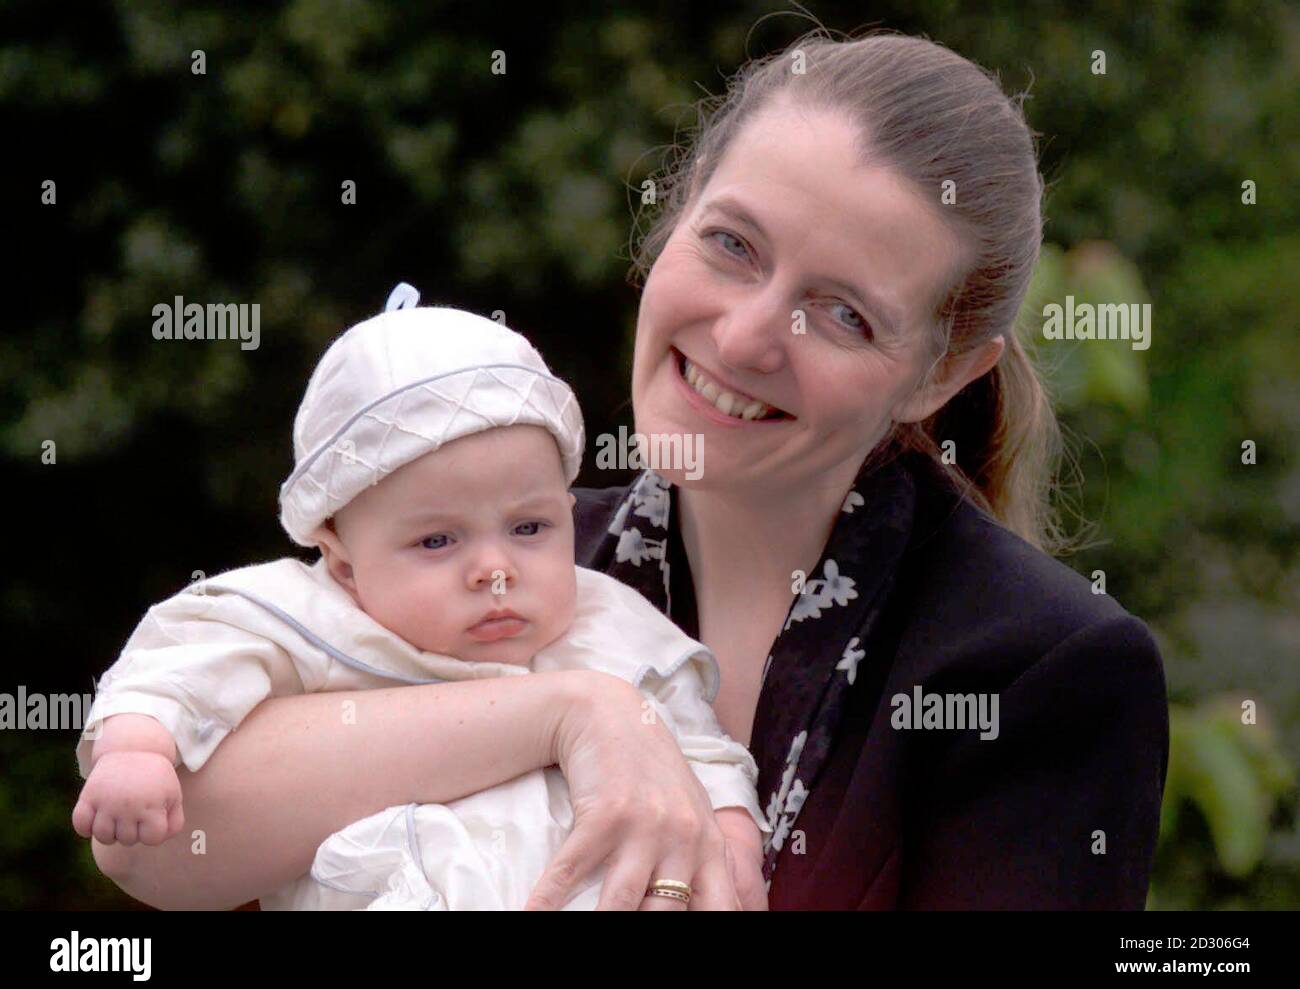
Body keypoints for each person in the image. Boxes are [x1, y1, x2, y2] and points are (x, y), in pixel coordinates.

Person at [88, 29, 1169, 911]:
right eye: (733, 245)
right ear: (674, 211)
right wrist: (579, 714)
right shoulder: (512, 548)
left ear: (939, 373)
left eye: (841, 313)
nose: (747, 336)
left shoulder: (1039, 667)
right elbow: (160, 842)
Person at [72, 292, 768, 910]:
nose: (494, 569)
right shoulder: (307, 613)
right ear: (342, 557)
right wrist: (137, 746)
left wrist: (733, 828)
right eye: (438, 540)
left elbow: (695, 741)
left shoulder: (606, 618)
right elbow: (187, 653)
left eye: (530, 527)